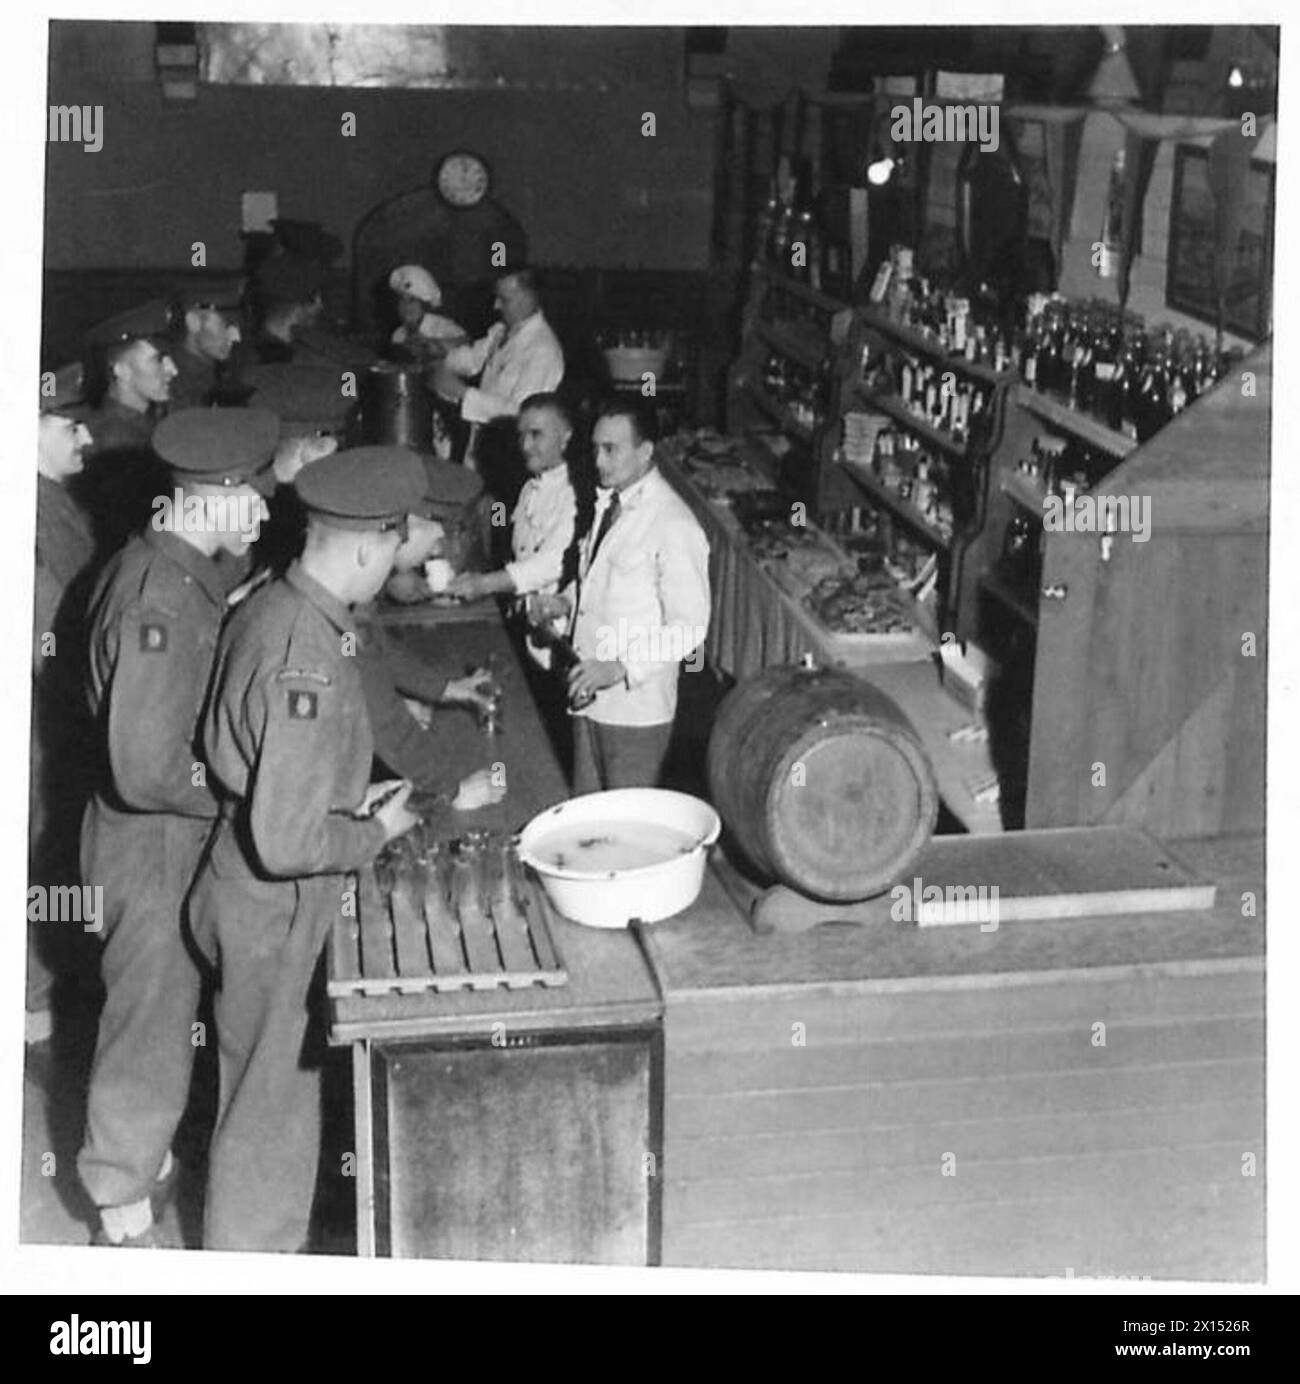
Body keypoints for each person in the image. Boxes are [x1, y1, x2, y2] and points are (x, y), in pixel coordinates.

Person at [187, 447, 430, 1253]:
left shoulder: (270, 605)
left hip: (243, 890)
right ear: (365, 548)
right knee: (265, 1121)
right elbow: (286, 840)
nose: (392, 563)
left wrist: (344, 795)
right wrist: (374, 831)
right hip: (272, 913)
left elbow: (252, 766)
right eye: (394, 549)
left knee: (265, 1103)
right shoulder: (310, 658)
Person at [77, 407, 278, 1248]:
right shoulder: (159, 598)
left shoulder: (177, 569)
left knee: (161, 1021)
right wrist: (246, 791)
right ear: (213, 498)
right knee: (149, 1029)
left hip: (159, 838)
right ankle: (121, 1215)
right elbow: (148, 766)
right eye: (256, 499)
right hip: (152, 843)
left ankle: (138, 1169)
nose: (266, 514)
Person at [531, 400, 710, 795]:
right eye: (595, 448)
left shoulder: (674, 523)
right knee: (588, 818)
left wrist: (619, 667)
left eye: (611, 449)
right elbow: (598, 580)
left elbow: (690, 626)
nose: (598, 460)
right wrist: (563, 602)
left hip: (634, 709)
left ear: (645, 451)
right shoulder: (606, 503)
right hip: (587, 693)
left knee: (623, 832)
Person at [29, 381, 97, 1047]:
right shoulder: (29, 516)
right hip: (45, 726)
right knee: (41, 848)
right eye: (68, 426)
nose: (87, 437)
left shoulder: (56, 503)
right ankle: (33, 1010)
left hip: (63, 716)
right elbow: (48, 643)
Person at [445, 392, 578, 616]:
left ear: (566, 437)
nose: (525, 445)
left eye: (536, 435)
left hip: (552, 622)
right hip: (520, 613)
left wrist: (486, 583)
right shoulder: (527, 488)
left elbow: (553, 563)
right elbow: (501, 536)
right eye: (522, 435)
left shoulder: (575, 495)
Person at [432, 267, 564, 478]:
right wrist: (442, 361)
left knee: (497, 509)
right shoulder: (503, 332)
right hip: (484, 451)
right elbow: (472, 358)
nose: (496, 305)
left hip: (513, 461)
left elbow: (521, 413)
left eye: (504, 299)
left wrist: (462, 394)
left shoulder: (542, 350)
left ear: (527, 298)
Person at [77, 304, 178, 555]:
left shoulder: (145, 422)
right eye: (157, 360)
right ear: (120, 370)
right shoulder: (115, 440)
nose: (172, 370)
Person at [165, 284, 245, 409]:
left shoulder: (231, 371)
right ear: (193, 322)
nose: (236, 337)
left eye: (239, 326)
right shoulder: (170, 380)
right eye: (226, 326)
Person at [387, 264, 467, 356]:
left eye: (412, 300)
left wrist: (432, 345)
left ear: (423, 304)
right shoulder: (398, 335)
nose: (406, 307)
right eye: (402, 300)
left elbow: (466, 343)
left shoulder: (442, 327)